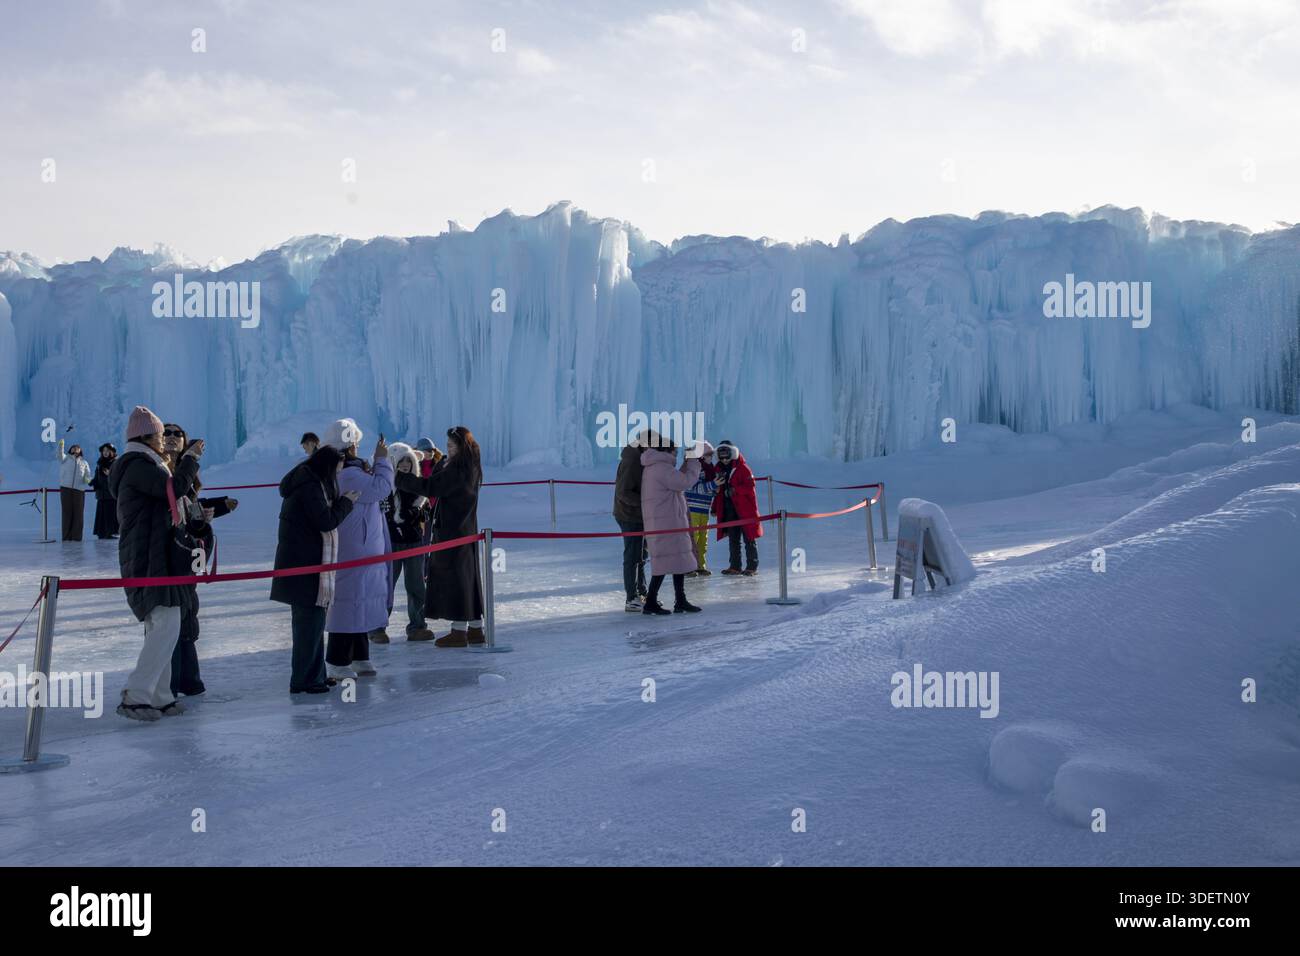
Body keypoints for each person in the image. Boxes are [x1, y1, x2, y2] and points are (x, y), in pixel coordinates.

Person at [108, 405, 202, 720]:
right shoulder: (137, 464)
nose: (165, 441)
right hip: (147, 557)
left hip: (155, 555)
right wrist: (189, 459)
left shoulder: (144, 463)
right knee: (165, 624)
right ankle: (136, 695)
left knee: (164, 625)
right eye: (161, 435)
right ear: (145, 437)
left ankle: (160, 695)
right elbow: (174, 489)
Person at [270, 446, 358, 693]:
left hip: (303, 564)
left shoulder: (308, 480)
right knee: (308, 624)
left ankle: (314, 674)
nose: (339, 473)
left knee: (313, 623)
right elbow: (326, 520)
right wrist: (346, 502)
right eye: (339, 468)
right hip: (304, 566)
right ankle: (304, 680)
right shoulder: (310, 486)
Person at [161, 423, 239, 698]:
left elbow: (188, 512)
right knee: (168, 618)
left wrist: (213, 511)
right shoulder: (160, 470)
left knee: (186, 612)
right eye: (166, 432)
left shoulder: (187, 474)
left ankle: (187, 679)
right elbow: (169, 497)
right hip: (164, 558)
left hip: (183, 554)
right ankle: (168, 683)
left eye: (177, 433)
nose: (171, 437)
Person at [394, 426, 483, 646]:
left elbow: (431, 487)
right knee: (467, 578)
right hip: (465, 530)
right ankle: (474, 629)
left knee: (458, 580)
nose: (448, 449)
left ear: (462, 446)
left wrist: (401, 478)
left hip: (454, 532)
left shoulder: (458, 469)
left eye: (452, 446)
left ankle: (459, 631)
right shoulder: (467, 466)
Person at [323, 419, 393, 678]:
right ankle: (338, 660)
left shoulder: (348, 471)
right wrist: (383, 461)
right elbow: (382, 488)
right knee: (348, 602)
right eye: (356, 443)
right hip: (356, 549)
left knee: (359, 601)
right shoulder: (350, 474)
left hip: (361, 548)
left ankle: (360, 655)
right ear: (350, 445)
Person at [639, 435, 707, 614]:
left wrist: (688, 463)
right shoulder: (661, 468)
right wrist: (693, 462)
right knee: (664, 565)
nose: (676, 455)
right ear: (667, 451)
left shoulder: (656, 467)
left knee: (678, 561)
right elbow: (685, 482)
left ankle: (680, 600)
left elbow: (677, 479)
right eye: (675, 452)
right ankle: (652, 602)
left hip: (665, 521)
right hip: (667, 523)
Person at [383, 442, 434, 641]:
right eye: (401, 461)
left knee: (416, 586)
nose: (405, 465)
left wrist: (418, 513)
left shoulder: (418, 485)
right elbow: (382, 512)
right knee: (386, 586)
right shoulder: (386, 486)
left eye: (408, 461)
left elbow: (426, 512)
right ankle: (377, 627)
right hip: (391, 542)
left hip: (414, 542)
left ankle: (418, 626)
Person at [712, 440, 762, 575]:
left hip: (745, 510)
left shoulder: (743, 468)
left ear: (733, 453)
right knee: (733, 539)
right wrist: (715, 508)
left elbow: (750, 487)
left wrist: (735, 490)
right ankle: (735, 566)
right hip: (730, 510)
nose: (724, 459)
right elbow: (719, 492)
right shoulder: (719, 469)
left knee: (749, 538)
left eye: (726, 456)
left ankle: (752, 566)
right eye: (721, 456)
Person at [612, 431, 649, 611]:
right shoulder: (632, 461)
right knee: (632, 556)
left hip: (639, 515)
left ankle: (641, 592)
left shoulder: (639, 458)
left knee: (641, 556)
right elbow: (623, 492)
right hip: (629, 515)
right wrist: (645, 503)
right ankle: (631, 597)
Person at [684, 444, 718, 575]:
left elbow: (709, 490)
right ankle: (689, 566)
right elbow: (694, 487)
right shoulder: (696, 469)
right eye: (709, 454)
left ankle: (700, 565)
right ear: (701, 456)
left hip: (704, 508)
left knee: (703, 539)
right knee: (693, 538)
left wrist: (715, 488)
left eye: (711, 454)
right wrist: (714, 484)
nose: (711, 457)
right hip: (693, 508)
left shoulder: (711, 470)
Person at [57, 440, 92, 540]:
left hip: (79, 489)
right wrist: (61, 445)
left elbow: (88, 474)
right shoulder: (65, 458)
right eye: (73, 447)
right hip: (66, 488)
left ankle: (77, 537)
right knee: (66, 513)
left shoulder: (84, 462)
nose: (75, 448)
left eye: (77, 447)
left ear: (80, 450)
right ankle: (66, 536)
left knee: (78, 513)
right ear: (70, 449)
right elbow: (59, 454)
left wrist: (87, 479)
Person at [88, 443, 120, 538]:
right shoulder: (100, 463)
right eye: (104, 451)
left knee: (111, 513)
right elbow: (97, 477)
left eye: (107, 451)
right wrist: (93, 482)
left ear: (112, 452)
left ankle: (111, 532)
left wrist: (110, 474)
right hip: (101, 494)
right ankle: (101, 532)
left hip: (111, 494)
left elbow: (120, 476)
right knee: (102, 514)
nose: (105, 453)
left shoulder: (116, 462)